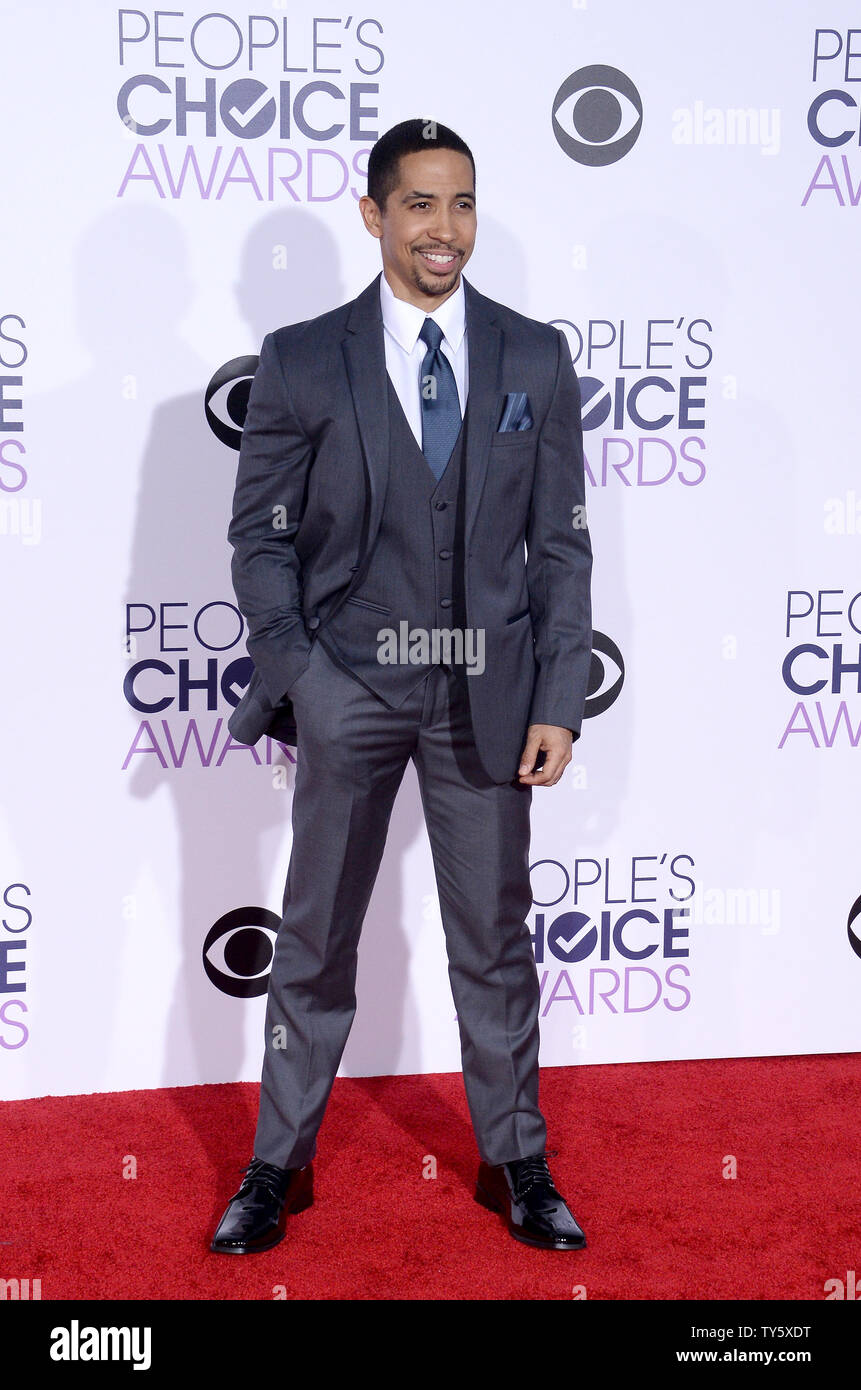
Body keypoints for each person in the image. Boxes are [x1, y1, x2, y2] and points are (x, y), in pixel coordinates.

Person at [211, 118, 593, 1255]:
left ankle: (517, 1160)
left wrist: (559, 695)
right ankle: (278, 1166)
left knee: (492, 938)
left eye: (463, 203)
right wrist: (302, 679)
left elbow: (562, 545)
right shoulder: (300, 357)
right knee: (318, 936)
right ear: (376, 215)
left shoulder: (532, 355)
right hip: (354, 688)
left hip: (487, 691)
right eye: (421, 204)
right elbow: (258, 540)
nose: (446, 227)